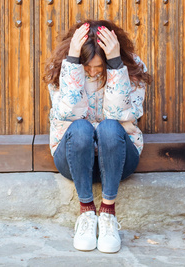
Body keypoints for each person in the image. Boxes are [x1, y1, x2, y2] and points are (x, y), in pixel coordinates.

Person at [42, 19, 151, 253]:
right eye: (87, 66)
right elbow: (68, 114)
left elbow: (119, 114)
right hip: (73, 158)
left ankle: (108, 214)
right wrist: (72, 60)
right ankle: (87, 213)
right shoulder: (65, 67)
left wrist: (114, 66)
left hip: (119, 158)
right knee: (81, 129)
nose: (92, 72)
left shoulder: (130, 69)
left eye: (98, 67)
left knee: (110, 127)